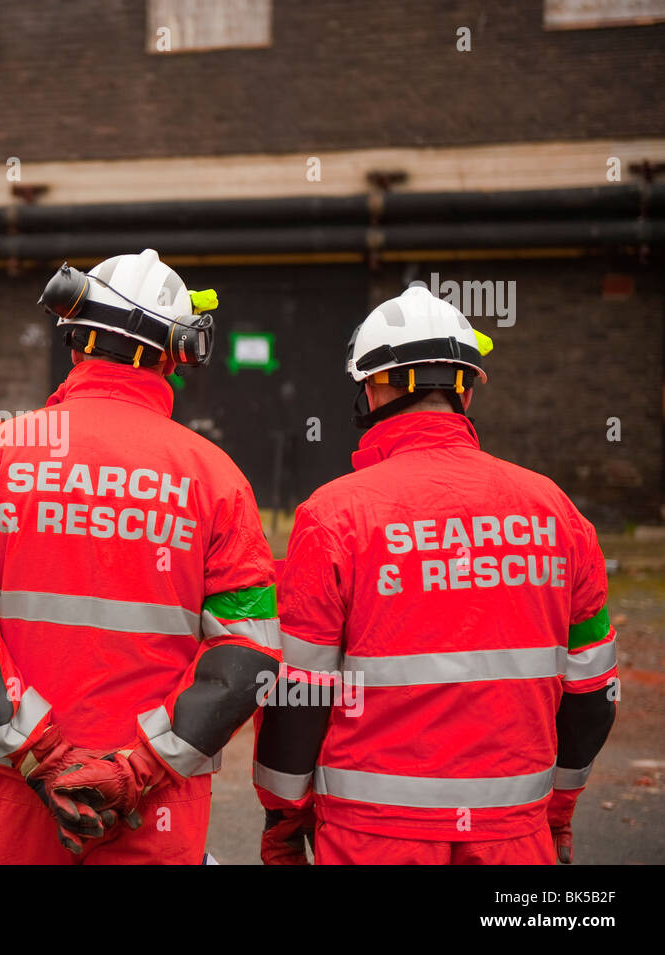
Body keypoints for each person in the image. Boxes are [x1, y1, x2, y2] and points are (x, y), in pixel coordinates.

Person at [0, 249, 280, 864]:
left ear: (75, 338)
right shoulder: (217, 478)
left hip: (15, 793)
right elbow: (248, 654)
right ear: (174, 353)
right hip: (154, 803)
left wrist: (45, 757)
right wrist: (137, 770)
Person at [253, 284, 618, 866]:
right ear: (467, 390)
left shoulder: (332, 515)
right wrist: (557, 810)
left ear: (370, 389)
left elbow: (299, 692)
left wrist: (282, 813)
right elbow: (592, 694)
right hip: (514, 836)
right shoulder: (556, 511)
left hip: (371, 836)